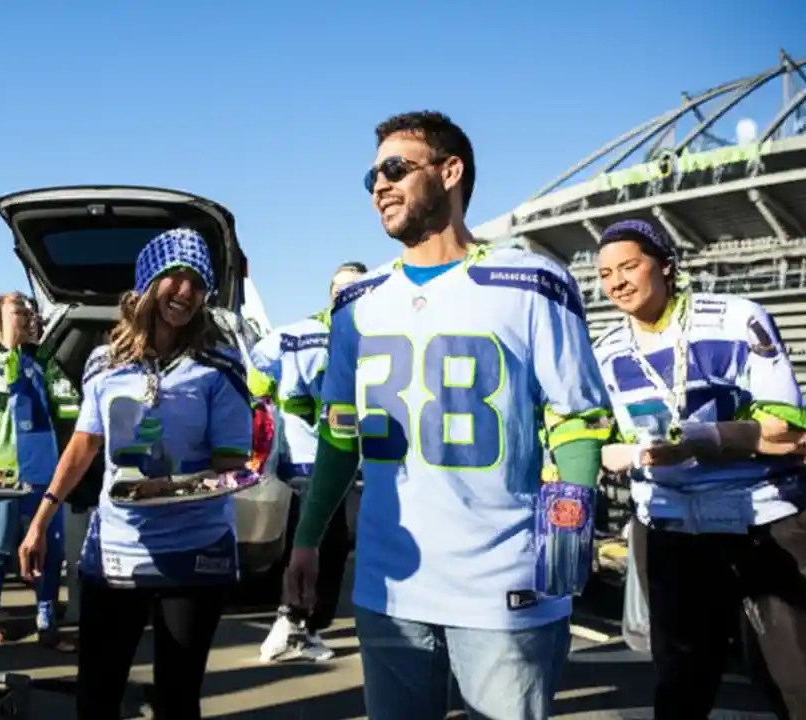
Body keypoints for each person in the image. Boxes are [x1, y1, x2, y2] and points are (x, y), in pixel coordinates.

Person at [284, 111, 613, 720]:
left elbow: (577, 420)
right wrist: (307, 540)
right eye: (372, 177)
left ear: (450, 170)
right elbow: (339, 434)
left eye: (395, 168)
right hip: (389, 584)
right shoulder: (356, 304)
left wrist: (567, 538)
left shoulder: (531, 282)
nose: (379, 185)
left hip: (503, 586)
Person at [18, 228, 254, 720]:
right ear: (148, 283)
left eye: (197, 283)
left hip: (196, 547)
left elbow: (232, 464)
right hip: (116, 550)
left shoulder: (219, 366)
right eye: (175, 278)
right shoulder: (104, 362)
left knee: (176, 697)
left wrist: (171, 488)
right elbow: (84, 444)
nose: (186, 293)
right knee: (97, 693)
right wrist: (42, 518)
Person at [593, 219, 806, 720]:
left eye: (628, 266)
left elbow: (791, 430)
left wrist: (702, 439)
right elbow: (602, 447)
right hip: (669, 523)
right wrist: (626, 455)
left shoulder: (737, 319)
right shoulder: (604, 351)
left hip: (761, 515)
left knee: (793, 678)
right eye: (605, 274)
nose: (616, 282)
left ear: (666, 265)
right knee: (681, 682)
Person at [251, 260, 367, 663]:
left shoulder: (363, 333)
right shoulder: (302, 334)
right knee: (323, 542)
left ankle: (303, 624)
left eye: (355, 287)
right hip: (312, 459)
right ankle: (295, 622)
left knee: (329, 543)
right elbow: (256, 381)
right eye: (341, 287)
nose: (347, 293)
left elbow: (256, 377)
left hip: (341, 460)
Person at [0, 292, 72, 650]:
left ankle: (46, 615)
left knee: (52, 548)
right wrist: (10, 341)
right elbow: (2, 385)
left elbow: (63, 401)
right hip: (2, 465)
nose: (25, 318)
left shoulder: (40, 359)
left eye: (29, 311)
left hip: (44, 464)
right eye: (17, 312)